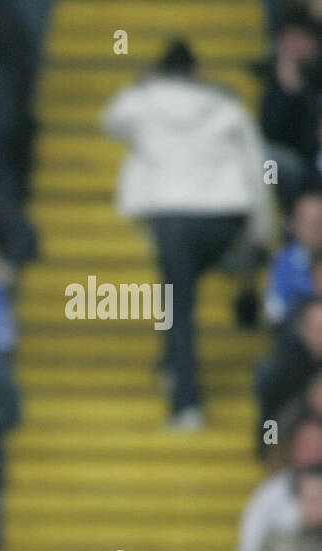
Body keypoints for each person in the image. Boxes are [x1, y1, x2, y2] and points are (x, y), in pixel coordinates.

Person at [101, 39, 272, 430]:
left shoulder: (141, 99)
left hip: (173, 219)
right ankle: (171, 361)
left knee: (178, 308)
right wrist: (262, 228)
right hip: (225, 216)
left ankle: (187, 404)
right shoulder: (225, 103)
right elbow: (256, 161)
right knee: (185, 290)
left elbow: (110, 121)